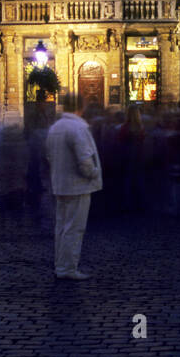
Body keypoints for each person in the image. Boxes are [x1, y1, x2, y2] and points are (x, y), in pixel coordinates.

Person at [46, 93, 103, 280]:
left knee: (61, 227)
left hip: (60, 184)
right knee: (74, 228)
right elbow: (84, 159)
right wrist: (94, 173)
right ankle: (68, 268)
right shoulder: (78, 127)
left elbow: (48, 155)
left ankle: (60, 265)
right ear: (81, 107)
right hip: (78, 186)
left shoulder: (55, 127)